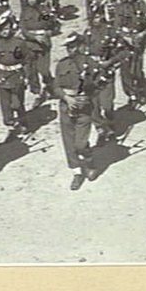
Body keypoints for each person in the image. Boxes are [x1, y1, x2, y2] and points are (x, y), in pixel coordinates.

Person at [53, 33, 101, 190]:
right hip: (66, 106)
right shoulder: (62, 65)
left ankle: (88, 159)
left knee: (80, 143)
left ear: (81, 46)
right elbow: (55, 87)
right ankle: (77, 172)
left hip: (84, 107)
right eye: (68, 47)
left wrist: (88, 94)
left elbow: (100, 84)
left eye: (74, 46)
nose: (71, 50)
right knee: (68, 141)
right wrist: (66, 98)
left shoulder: (91, 64)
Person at [83, 7, 130, 143]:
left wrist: (110, 61)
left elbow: (122, 52)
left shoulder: (111, 32)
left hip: (106, 72)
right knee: (93, 104)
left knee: (107, 103)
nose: (96, 19)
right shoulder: (87, 33)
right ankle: (102, 129)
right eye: (94, 16)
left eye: (98, 16)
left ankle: (109, 121)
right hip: (91, 73)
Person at [0, 10, 32, 136]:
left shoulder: (19, 43)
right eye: (2, 29)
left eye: (7, 28)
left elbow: (28, 60)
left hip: (16, 77)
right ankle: (11, 125)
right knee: (5, 106)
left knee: (17, 103)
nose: (5, 31)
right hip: (2, 78)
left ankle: (23, 122)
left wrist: (27, 76)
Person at [114, 0, 146, 106]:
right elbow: (116, 27)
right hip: (124, 43)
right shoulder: (119, 8)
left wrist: (142, 34)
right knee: (125, 70)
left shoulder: (141, 6)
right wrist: (125, 37)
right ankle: (131, 95)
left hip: (138, 42)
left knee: (136, 69)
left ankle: (140, 90)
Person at [19, 0, 57, 103]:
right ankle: (36, 92)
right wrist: (33, 37)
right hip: (30, 44)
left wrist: (49, 33)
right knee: (31, 70)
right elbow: (23, 30)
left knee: (44, 69)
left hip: (43, 44)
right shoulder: (24, 13)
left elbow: (54, 26)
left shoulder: (44, 10)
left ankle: (51, 87)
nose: (32, 0)